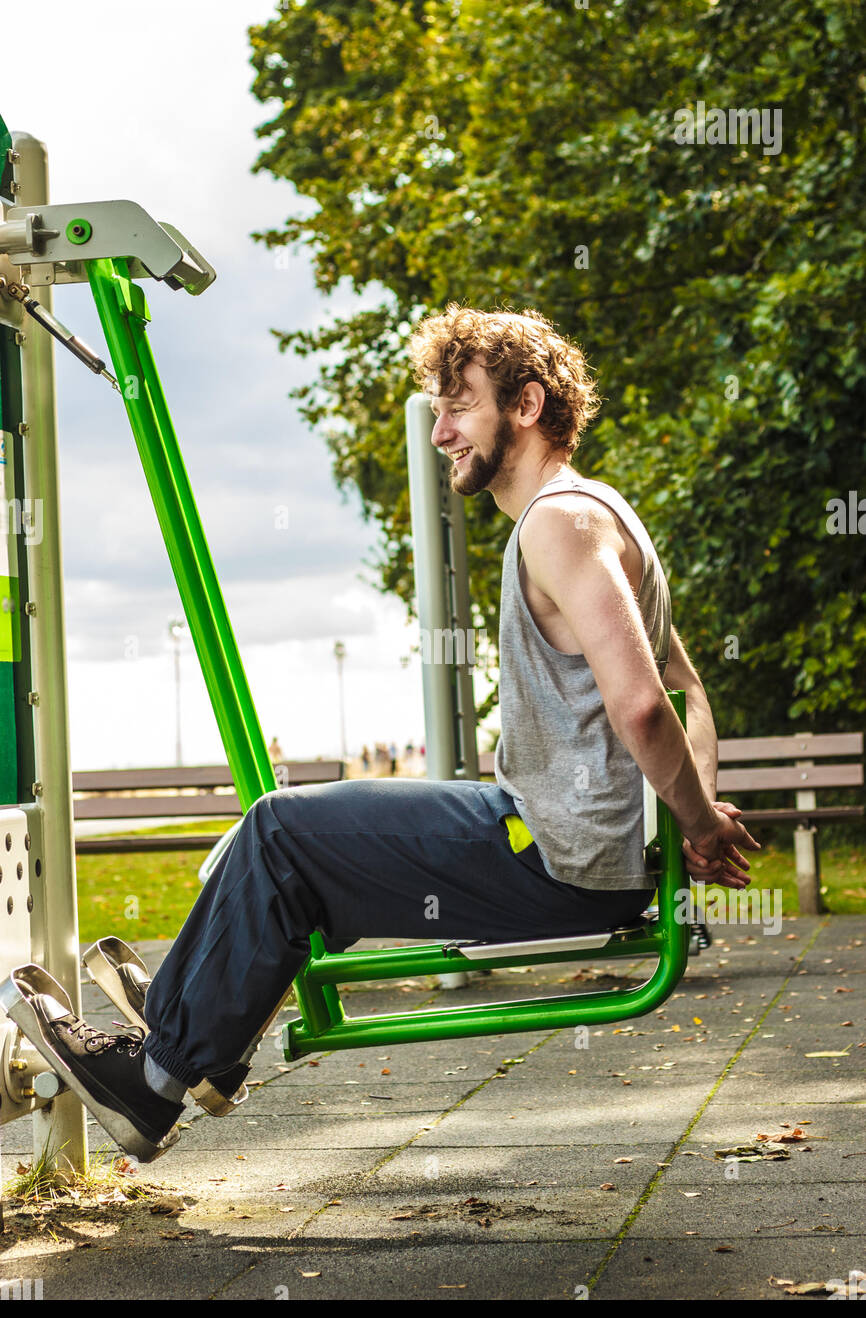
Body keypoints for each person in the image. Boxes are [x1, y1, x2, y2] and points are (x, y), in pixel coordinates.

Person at [26, 304, 760, 1160]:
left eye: (459, 406)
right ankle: (195, 1037)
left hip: (554, 853)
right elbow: (687, 688)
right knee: (300, 846)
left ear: (526, 406)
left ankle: (153, 1081)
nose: (442, 430)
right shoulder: (603, 515)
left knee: (280, 831)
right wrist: (686, 824)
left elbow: (644, 704)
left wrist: (698, 825)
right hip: (571, 844)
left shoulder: (561, 523)